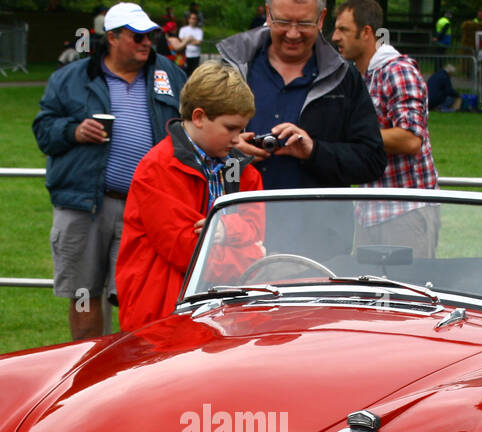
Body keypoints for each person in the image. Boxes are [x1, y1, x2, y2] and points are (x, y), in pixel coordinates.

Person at [33, 3, 188, 340]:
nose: (147, 43)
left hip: (149, 207)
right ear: (113, 38)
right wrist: (74, 131)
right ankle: (90, 377)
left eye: (150, 36)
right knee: (84, 295)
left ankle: (134, 379)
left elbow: (193, 126)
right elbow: (43, 131)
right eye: (137, 37)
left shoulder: (171, 75)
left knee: (141, 295)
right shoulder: (71, 78)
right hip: (84, 204)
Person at [218, 0, 385, 254]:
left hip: (319, 247)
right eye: (284, 22)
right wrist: (228, 148)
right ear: (268, 14)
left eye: (305, 23)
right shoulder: (229, 70)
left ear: (321, 19)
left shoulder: (344, 78)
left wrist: (314, 151)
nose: (293, 33)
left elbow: (372, 160)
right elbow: (187, 145)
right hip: (237, 240)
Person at [115, 62, 265, 331]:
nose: (237, 139)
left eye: (241, 129)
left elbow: (259, 231)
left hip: (225, 313)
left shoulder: (245, 172)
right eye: (230, 128)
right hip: (162, 317)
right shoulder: (158, 169)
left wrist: (222, 229)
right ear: (198, 117)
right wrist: (252, 256)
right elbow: (191, 254)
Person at [332, 0, 440, 257]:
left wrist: (352, 137)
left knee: (407, 295)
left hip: (405, 211)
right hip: (369, 211)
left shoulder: (397, 71)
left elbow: (410, 138)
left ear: (367, 33)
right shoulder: (357, 76)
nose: (335, 37)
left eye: (344, 30)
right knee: (367, 295)